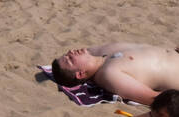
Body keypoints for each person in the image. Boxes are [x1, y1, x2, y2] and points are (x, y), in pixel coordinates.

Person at [50, 43, 179, 106]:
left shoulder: (96, 51)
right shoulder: (109, 75)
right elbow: (154, 99)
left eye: (66, 54)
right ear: (80, 74)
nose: (71, 52)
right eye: (70, 59)